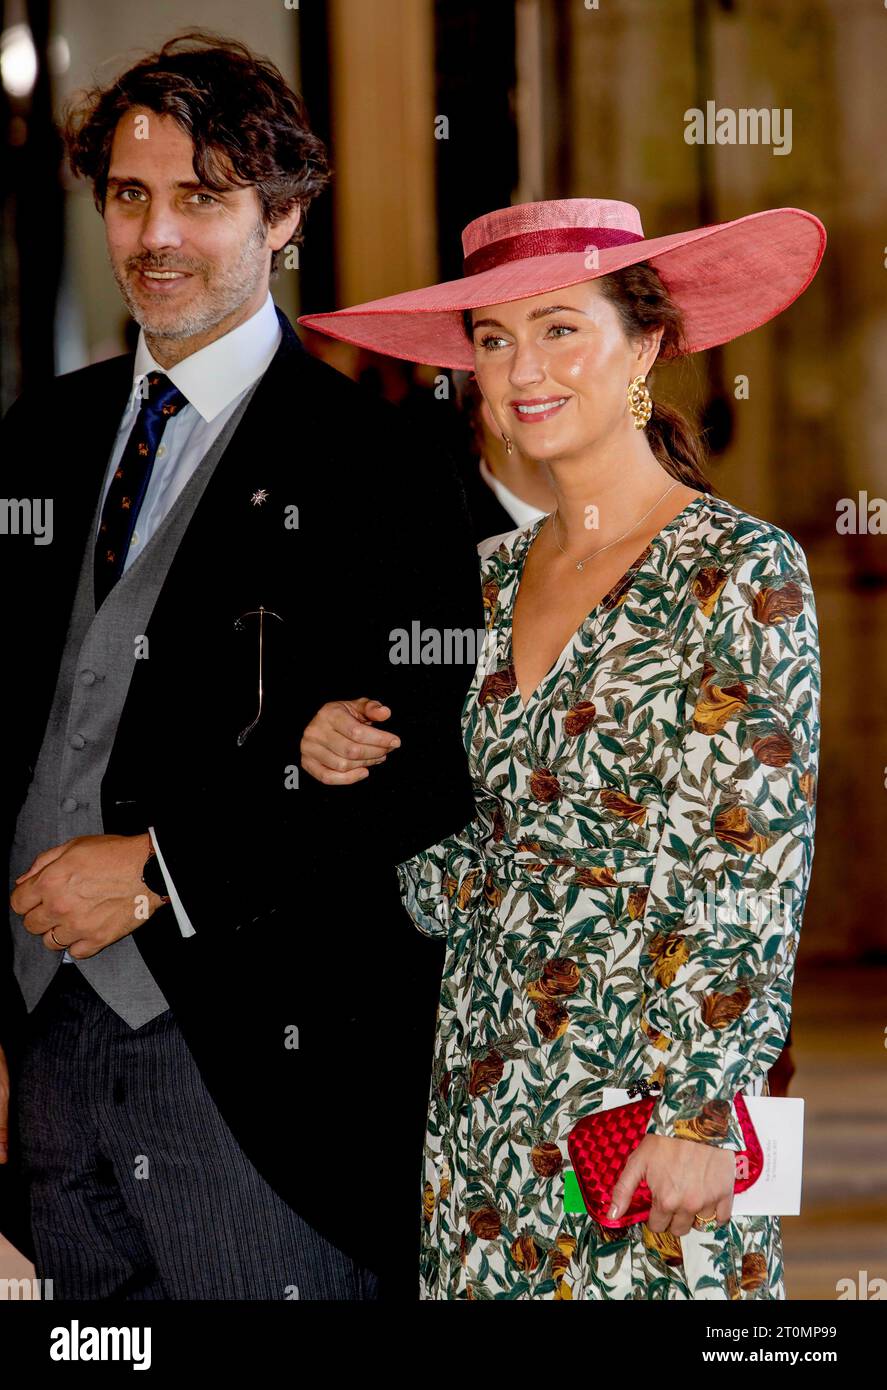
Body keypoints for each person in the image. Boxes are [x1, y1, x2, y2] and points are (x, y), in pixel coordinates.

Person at [0, 31, 481, 1301]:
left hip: (264, 1084)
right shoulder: (40, 439)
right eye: (129, 195)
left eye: (203, 198)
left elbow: (427, 770)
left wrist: (163, 872)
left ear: (282, 217)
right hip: (41, 1065)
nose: (157, 234)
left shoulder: (381, 467)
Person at [297, 197, 824, 1298]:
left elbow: (749, 865)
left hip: (655, 1108)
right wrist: (343, 758)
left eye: (556, 328)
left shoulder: (735, 568)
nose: (518, 367)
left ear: (642, 344)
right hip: (485, 1099)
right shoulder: (477, 581)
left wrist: (700, 1107)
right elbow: (456, 858)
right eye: (491, 338)